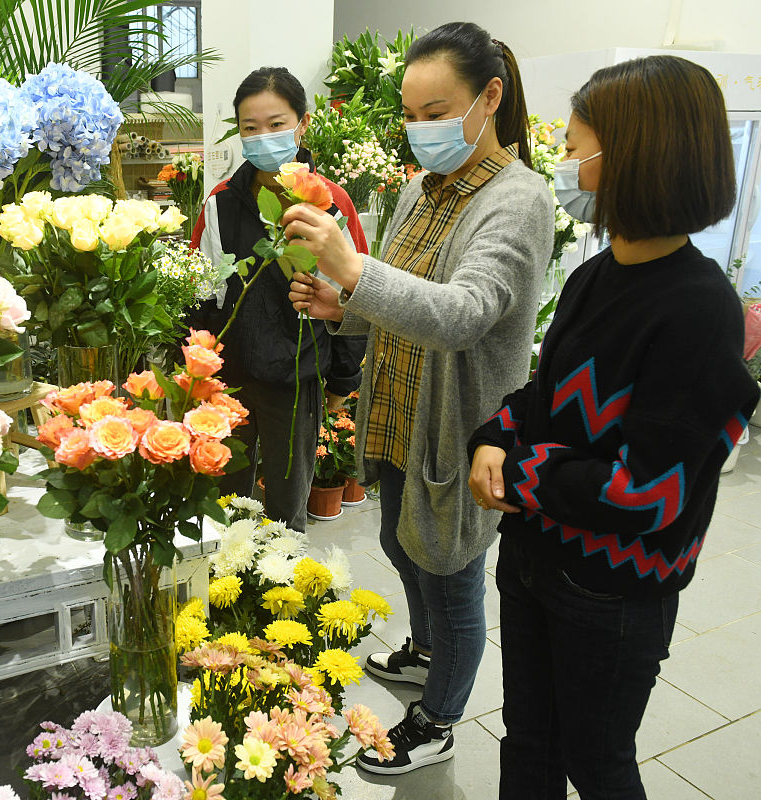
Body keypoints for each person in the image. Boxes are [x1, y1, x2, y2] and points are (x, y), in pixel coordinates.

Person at [467, 55, 760, 799]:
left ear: (634, 156)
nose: (563, 165)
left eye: (572, 147)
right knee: (528, 742)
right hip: (535, 561)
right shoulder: (599, 273)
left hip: (609, 593)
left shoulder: (698, 310)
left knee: (596, 763)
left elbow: (649, 495)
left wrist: (522, 472)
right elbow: (547, 397)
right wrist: (494, 439)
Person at [286, 22, 553, 774]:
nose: (420, 129)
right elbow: (402, 292)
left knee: (453, 572)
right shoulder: (418, 187)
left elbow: (463, 311)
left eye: (437, 112)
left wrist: (351, 265)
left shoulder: (517, 199)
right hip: (399, 415)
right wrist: (347, 306)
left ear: (489, 98)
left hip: (458, 430)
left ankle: (437, 719)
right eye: (412, 114)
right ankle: (426, 651)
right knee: (402, 544)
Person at [189, 66, 368, 532]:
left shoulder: (331, 204)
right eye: (250, 128)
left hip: (296, 379)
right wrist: (195, 371)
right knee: (226, 505)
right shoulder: (221, 203)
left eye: (276, 124)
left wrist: (342, 381)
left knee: (287, 511)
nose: (263, 137)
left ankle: (282, 592)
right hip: (230, 379)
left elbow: (356, 296)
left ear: (302, 124)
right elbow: (202, 292)